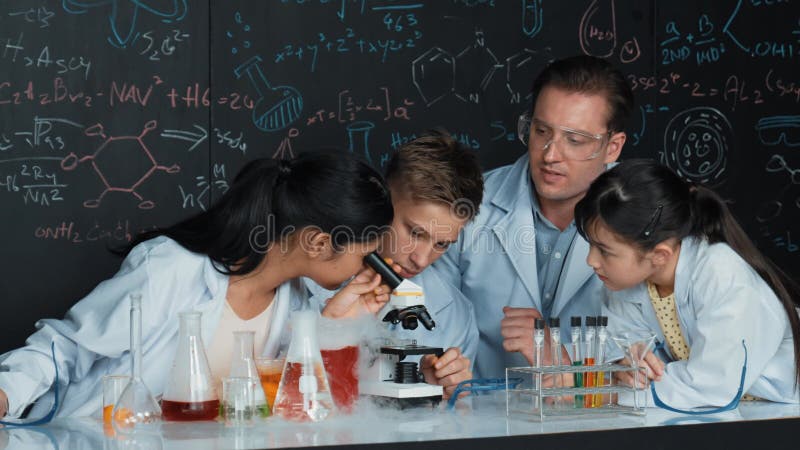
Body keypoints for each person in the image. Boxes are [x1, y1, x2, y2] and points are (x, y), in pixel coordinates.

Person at [0, 152, 395, 419]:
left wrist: (333, 324)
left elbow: (301, 411)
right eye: (366, 254)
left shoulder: (299, 303)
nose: (368, 268)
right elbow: (66, 348)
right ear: (318, 242)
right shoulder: (172, 268)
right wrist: (5, 393)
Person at [435, 55, 634, 378]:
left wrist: (561, 361)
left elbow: (658, 353)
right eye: (541, 131)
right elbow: (429, 322)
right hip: (481, 416)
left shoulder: (644, 218)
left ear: (613, 147)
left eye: (575, 140)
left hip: (600, 419)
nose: (550, 155)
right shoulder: (468, 207)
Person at [574, 159, 800, 407]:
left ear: (659, 255)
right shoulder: (627, 281)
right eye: (591, 245)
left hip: (783, 409)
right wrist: (626, 367)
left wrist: (611, 393)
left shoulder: (721, 274)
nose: (590, 260)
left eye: (605, 251)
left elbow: (711, 385)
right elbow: (627, 350)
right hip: (737, 413)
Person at [309, 130, 484, 398]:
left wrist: (444, 392)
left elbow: (455, 428)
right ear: (385, 199)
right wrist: (331, 327)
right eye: (415, 233)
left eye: (442, 244)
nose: (421, 259)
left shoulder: (455, 315)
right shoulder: (308, 279)